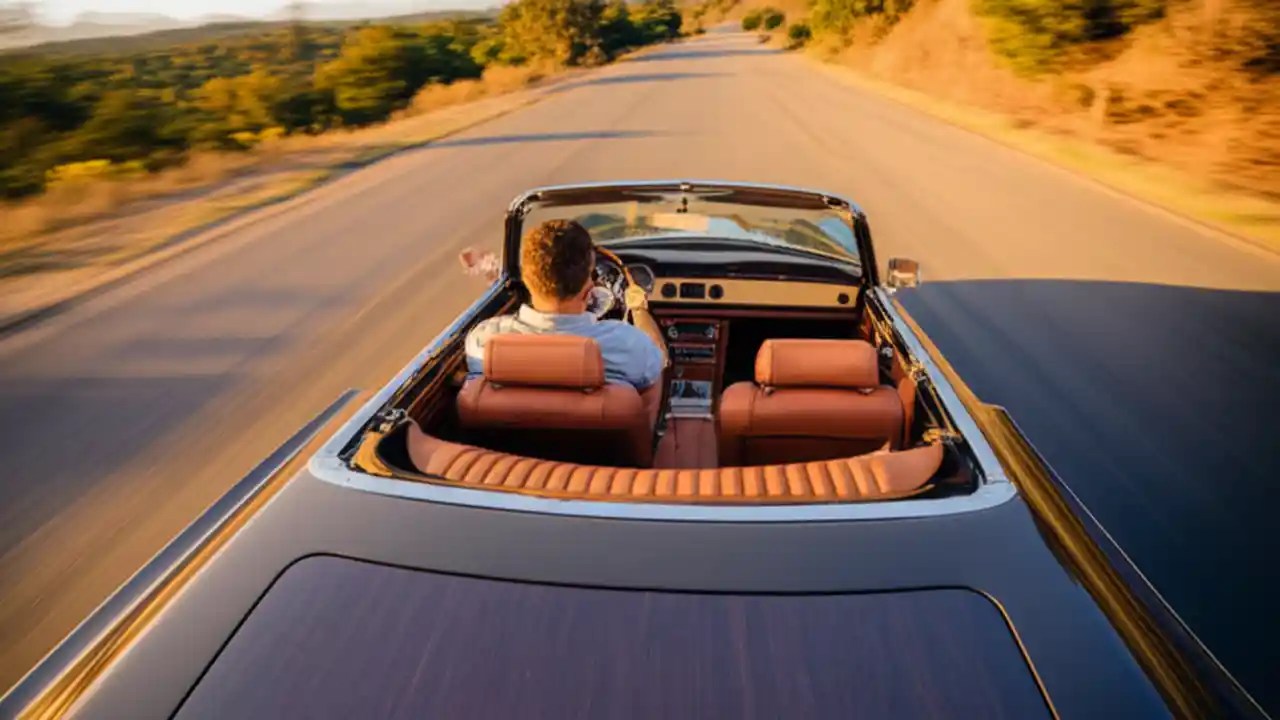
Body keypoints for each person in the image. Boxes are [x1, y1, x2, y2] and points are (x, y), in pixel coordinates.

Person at [464, 219, 669, 389]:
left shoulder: (485, 342)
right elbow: (660, 361)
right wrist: (638, 308)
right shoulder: (626, 344)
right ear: (588, 287)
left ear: (527, 280)